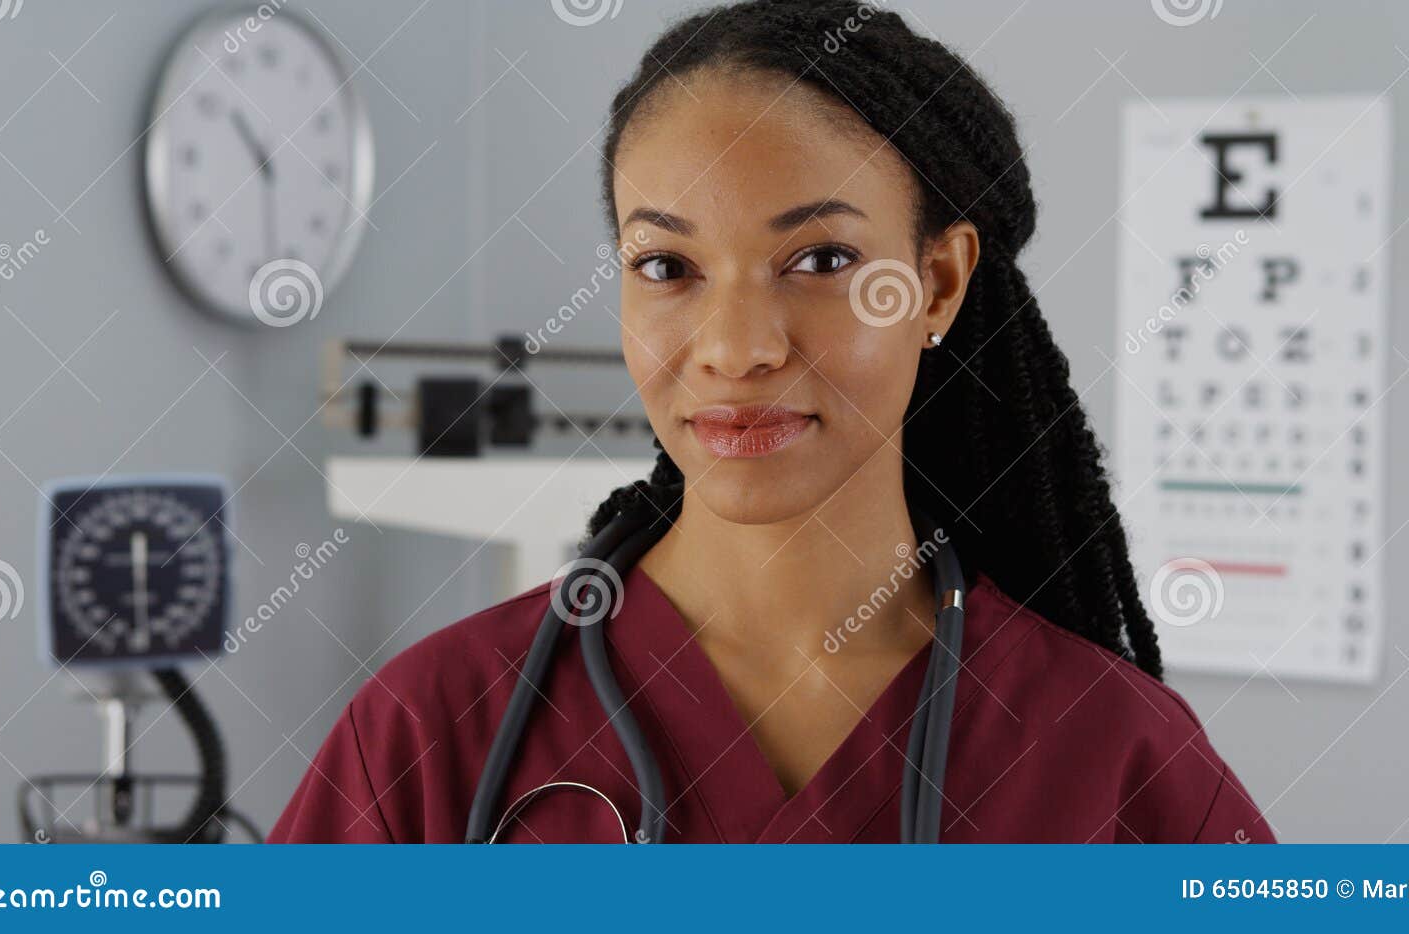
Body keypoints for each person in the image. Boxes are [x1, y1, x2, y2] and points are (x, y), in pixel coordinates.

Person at [269, 0, 1274, 844]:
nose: (735, 346)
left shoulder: (1111, 761)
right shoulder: (431, 732)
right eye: (667, 267)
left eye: (822, 260)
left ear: (935, 282)